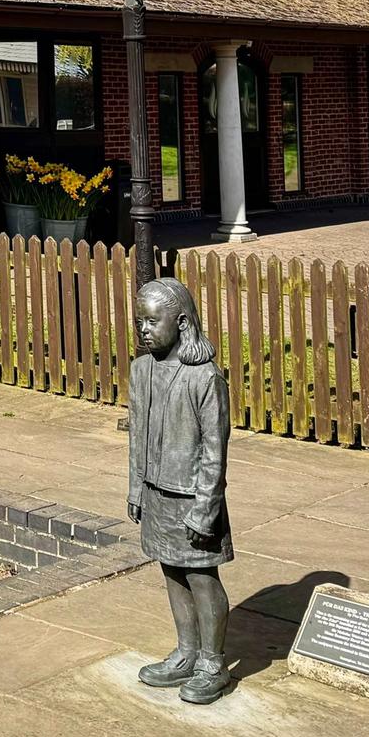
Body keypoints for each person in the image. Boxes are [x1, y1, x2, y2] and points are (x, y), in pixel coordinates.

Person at [128, 275, 234, 705]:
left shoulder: (204, 378)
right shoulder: (141, 370)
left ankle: (212, 662)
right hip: (155, 491)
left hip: (192, 498)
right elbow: (137, 434)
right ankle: (186, 653)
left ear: (183, 322)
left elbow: (215, 450)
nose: (144, 329)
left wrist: (205, 508)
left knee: (201, 576)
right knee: (170, 569)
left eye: (153, 321)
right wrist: (136, 487)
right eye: (140, 322)